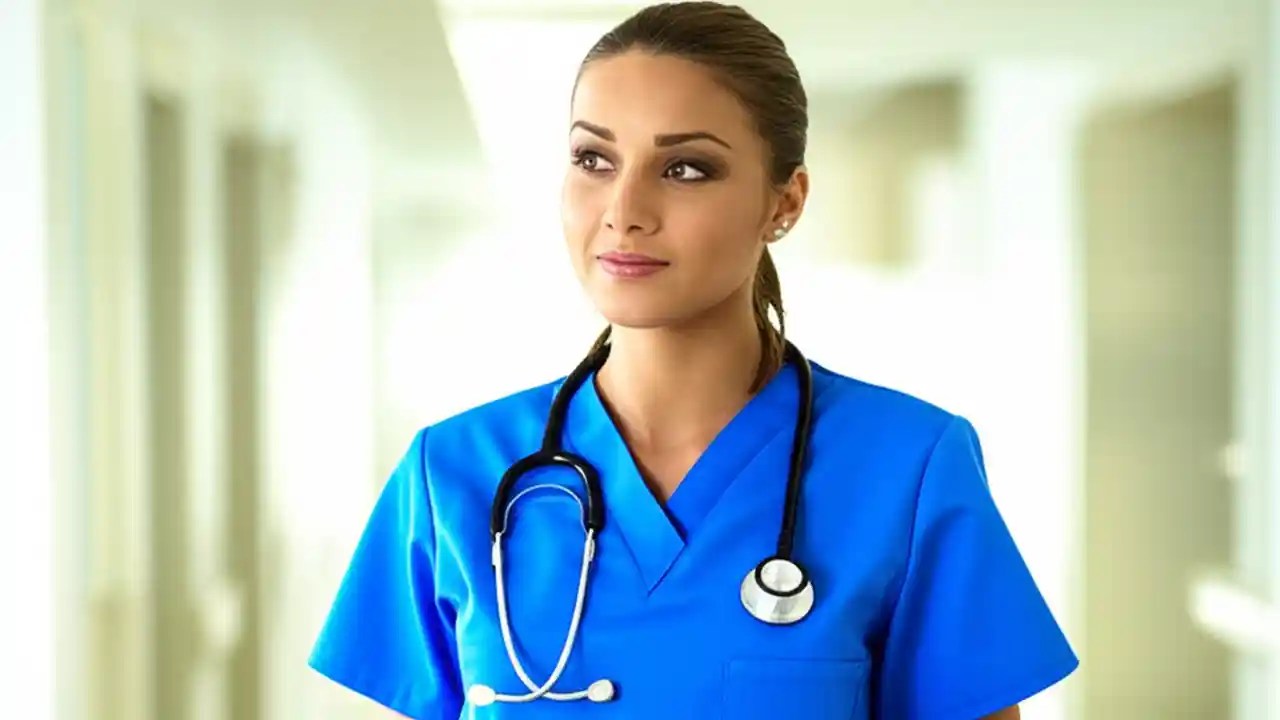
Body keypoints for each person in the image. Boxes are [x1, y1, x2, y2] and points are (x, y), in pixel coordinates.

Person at [307, 2, 1079, 718]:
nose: (625, 210)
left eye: (685, 168)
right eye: (593, 159)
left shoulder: (908, 468)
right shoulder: (453, 475)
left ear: (785, 202)